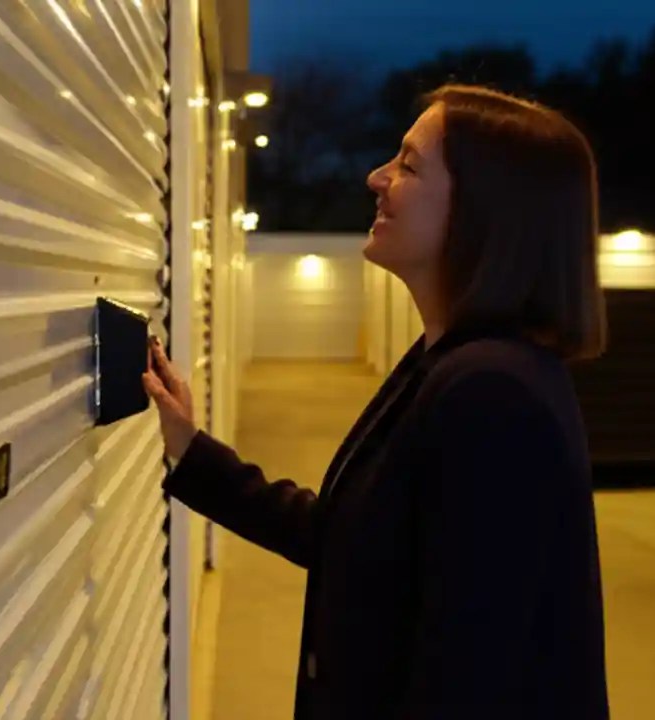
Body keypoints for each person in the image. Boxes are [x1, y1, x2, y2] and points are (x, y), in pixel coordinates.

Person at [144, 84, 610, 719]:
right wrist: (192, 451)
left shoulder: (493, 393)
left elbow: (470, 676)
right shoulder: (449, 360)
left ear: (481, 211)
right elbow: (352, 540)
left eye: (410, 165)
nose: (376, 177)